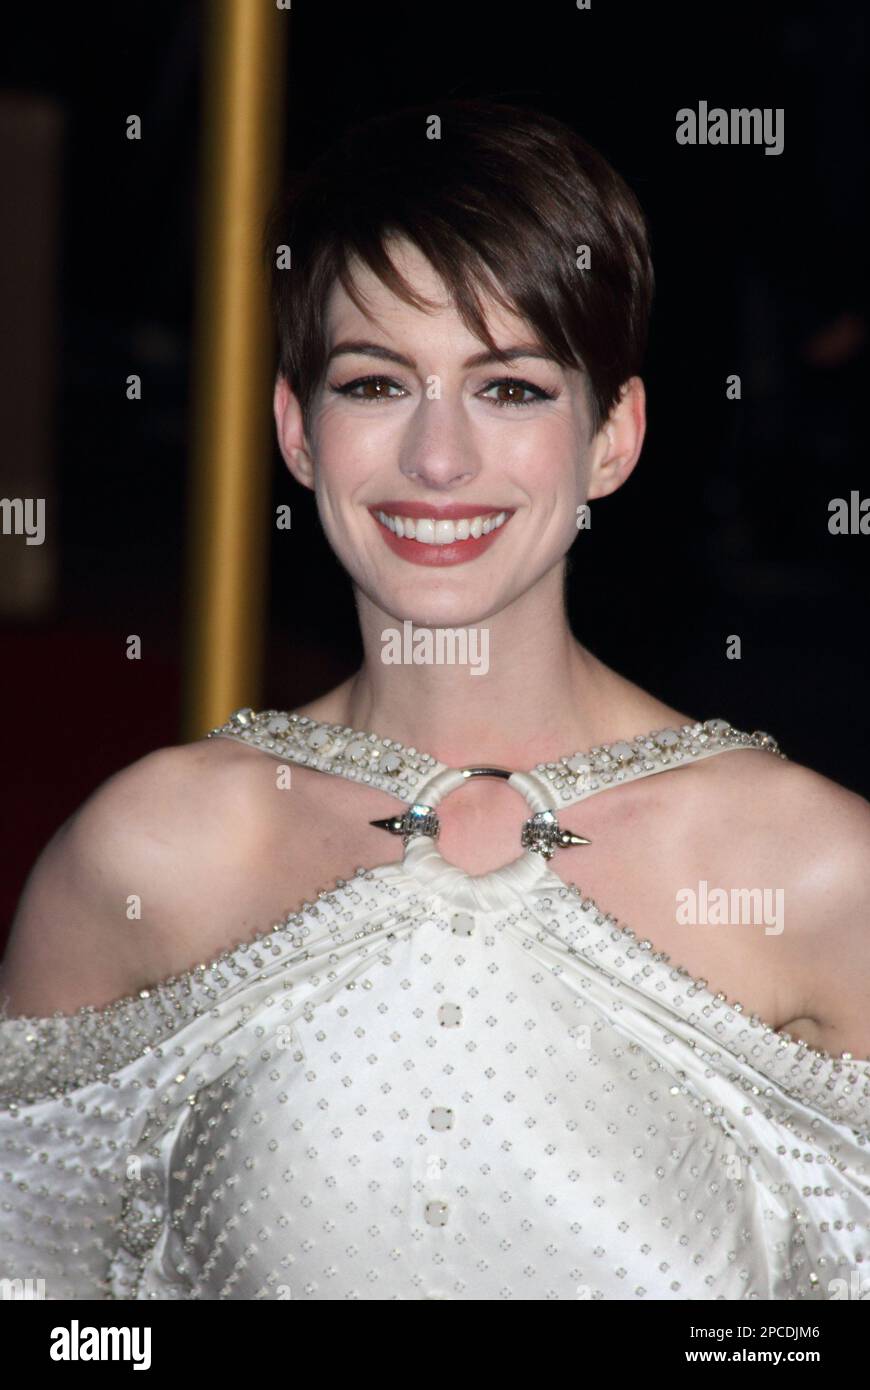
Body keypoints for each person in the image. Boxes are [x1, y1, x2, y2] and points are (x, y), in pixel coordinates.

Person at [1, 100, 868, 1302]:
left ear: (612, 436)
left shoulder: (822, 872)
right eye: (376, 383)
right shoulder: (146, 856)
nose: (439, 459)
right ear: (298, 432)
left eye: (508, 388)